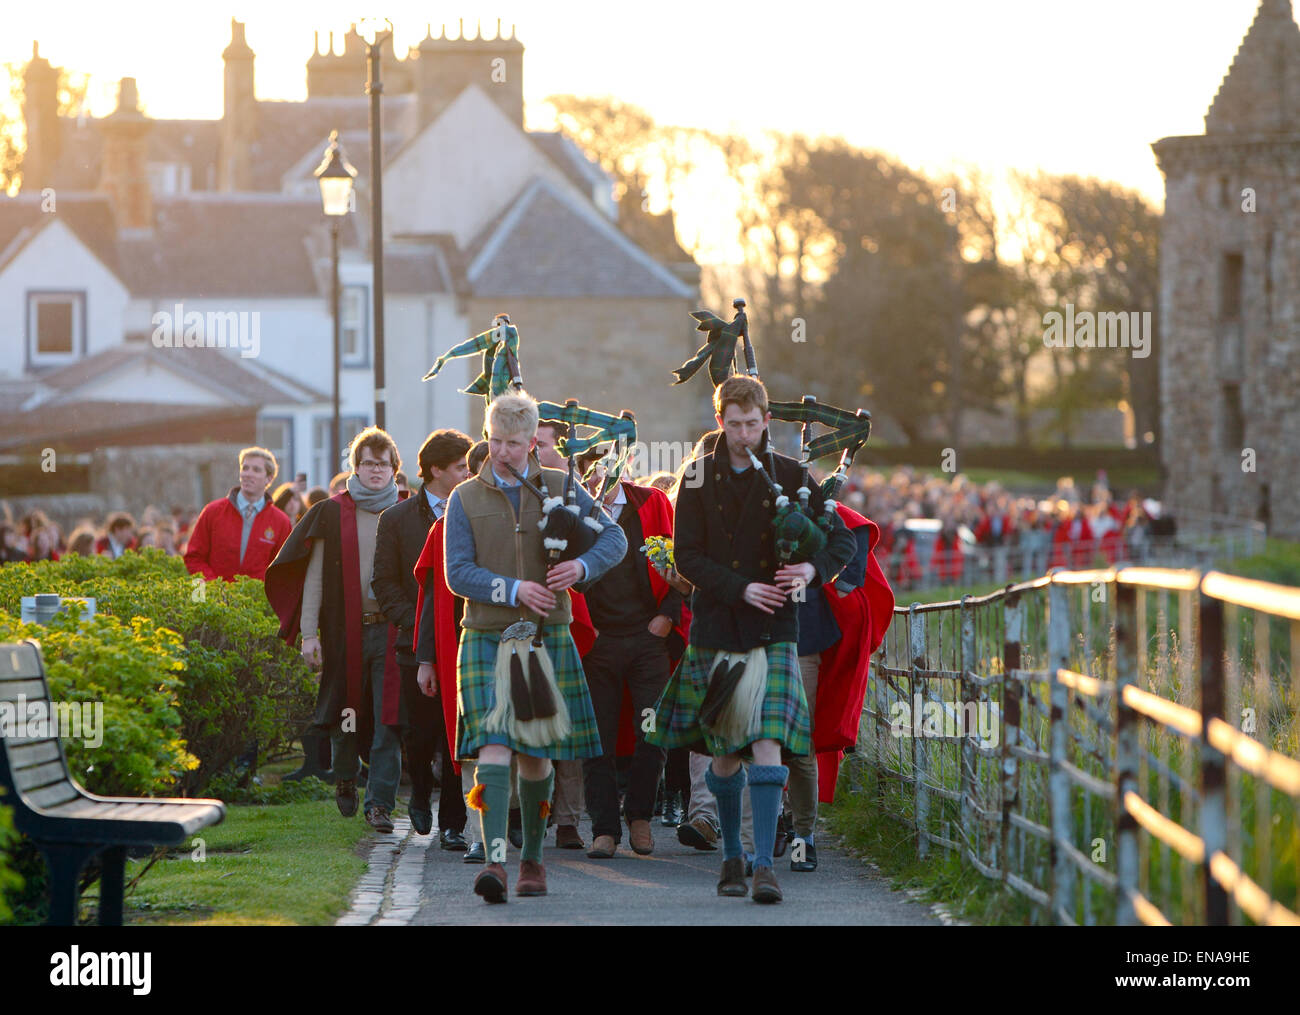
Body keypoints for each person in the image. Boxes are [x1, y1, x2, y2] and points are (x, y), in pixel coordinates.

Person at [647, 375, 853, 904]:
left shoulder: (790, 475)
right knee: (723, 753)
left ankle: (764, 865)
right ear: (720, 421)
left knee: (765, 743)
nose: (743, 434)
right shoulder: (694, 477)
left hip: (775, 629)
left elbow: (841, 539)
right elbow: (687, 556)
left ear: (766, 421)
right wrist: (741, 588)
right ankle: (731, 858)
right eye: (733, 424)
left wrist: (810, 568)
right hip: (718, 627)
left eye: (753, 424)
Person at [430, 391, 626, 902]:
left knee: (536, 757)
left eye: (514, 443)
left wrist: (581, 568)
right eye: (494, 440)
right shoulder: (464, 498)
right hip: (487, 635)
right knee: (494, 748)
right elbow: (456, 573)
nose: (501, 452)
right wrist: (514, 589)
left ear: (533, 441)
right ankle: (495, 861)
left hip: (546, 636)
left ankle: (533, 861)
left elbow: (615, 540)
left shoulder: (561, 488)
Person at [265, 427, 406, 834]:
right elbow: (314, 579)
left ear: (394, 469)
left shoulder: (406, 511)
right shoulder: (333, 511)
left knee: (387, 719)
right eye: (367, 463)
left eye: (382, 464)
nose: (375, 470)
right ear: (355, 468)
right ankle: (345, 773)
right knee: (347, 715)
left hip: (392, 632)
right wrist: (309, 634)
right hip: (346, 631)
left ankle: (379, 804)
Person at [578, 447, 683, 859]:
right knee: (597, 737)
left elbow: (678, 559)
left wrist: (668, 617)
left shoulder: (650, 503)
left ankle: (640, 816)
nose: (599, 479)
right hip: (599, 640)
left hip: (647, 637)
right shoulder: (575, 511)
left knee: (651, 732)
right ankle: (604, 828)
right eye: (592, 472)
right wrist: (588, 627)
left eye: (607, 470)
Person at [372, 428, 472, 849]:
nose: (468, 473)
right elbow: (385, 581)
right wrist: (412, 624)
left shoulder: (472, 512)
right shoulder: (396, 518)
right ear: (435, 470)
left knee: (457, 732)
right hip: (415, 641)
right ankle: (418, 793)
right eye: (461, 467)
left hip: (463, 638)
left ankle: (452, 820)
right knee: (419, 730)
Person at [185, 447, 292, 582]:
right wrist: (213, 588)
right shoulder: (213, 511)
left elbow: (282, 570)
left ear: (269, 479)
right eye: (245, 468)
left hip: (256, 601)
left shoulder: (281, 522)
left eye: (256, 470)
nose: (248, 474)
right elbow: (194, 558)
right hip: (213, 599)